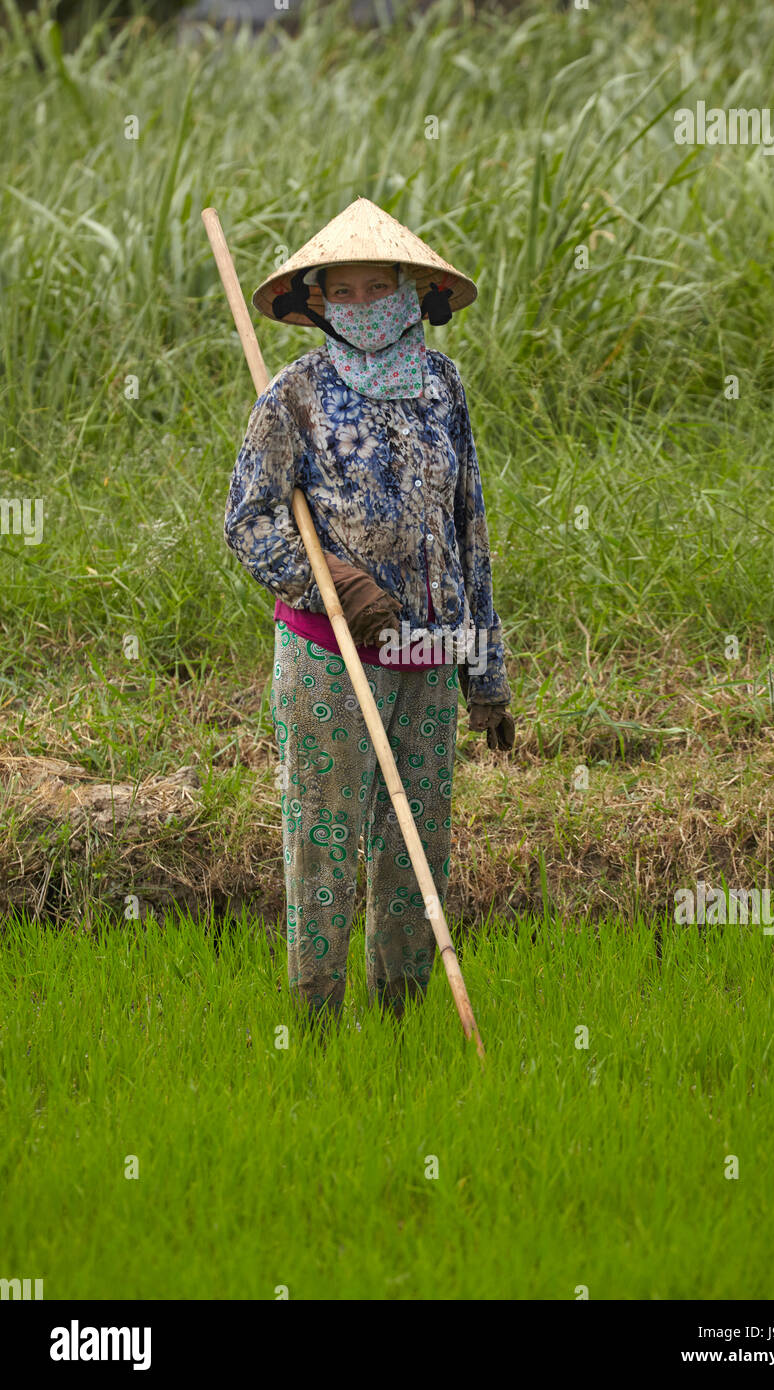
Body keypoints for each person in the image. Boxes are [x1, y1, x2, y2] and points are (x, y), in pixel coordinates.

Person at [224, 197, 515, 1038]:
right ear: (316, 302)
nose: (360, 303)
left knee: (416, 851)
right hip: (328, 654)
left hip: (430, 649)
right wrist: (337, 586)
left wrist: (485, 670)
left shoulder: (444, 385)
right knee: (325, 841)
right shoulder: (294, 396)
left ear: (408, 290)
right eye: (341, 291)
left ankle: (401, 1026)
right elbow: (249, 520)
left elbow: (469, 527)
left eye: (375, 285)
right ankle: (315, 1026)